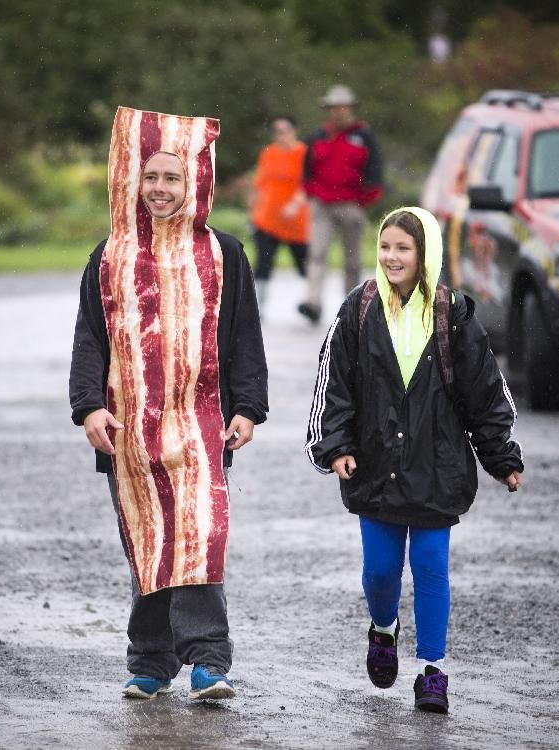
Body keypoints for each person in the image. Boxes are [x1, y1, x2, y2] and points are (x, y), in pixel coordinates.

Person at [69, 106, 268, 702]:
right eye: (150, 177)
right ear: (134, 180)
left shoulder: (225, 254)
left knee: (198, 536)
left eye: (172, 178)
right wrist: (87, 408)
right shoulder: (110, 256)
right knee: (149, 538)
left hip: (202, 424)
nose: (160, 189)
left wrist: (248, 408)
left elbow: (244, 339)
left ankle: (209, 660)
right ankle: (151, 663)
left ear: (195, 183)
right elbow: (88, 338)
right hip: (127, 426)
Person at [304, 206, 523, 713]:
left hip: (437, 466)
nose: (392, 256)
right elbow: (334, 389)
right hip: (376, 467)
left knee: (430, 566)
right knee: (381, 572)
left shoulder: (455, 316)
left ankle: (433, 671)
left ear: (425, 253)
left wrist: (501, 456)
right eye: (385, 247)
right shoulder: (358, 311)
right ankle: (384, 630)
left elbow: (485, 395)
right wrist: (336, 448)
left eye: (404, 248)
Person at [297, 84, 384, 325]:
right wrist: (310, 193)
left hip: (350, 204)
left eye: (342, 107)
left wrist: (365, 200)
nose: (338, 112)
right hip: (322, 203)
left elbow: (375, 170)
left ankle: (352, 306)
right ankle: (313, 302)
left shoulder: (364, 136)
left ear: (350, 108)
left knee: (352, 258)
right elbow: (307, 169)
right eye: (333, 108)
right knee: (317, 253)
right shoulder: (319, 135)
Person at [247, 114, 310, 313]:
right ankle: (258, 308)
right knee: (263, 263)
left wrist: (295, 203)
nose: (279, 135)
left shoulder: (304, 153)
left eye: (283, 131)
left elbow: (309, 183)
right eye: (276, 131)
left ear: (294, 131)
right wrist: (253, 210)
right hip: (267, 219)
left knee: (304, 264)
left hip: (295, 221)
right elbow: (259, 184)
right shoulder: (269, 153)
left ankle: (311, 303)